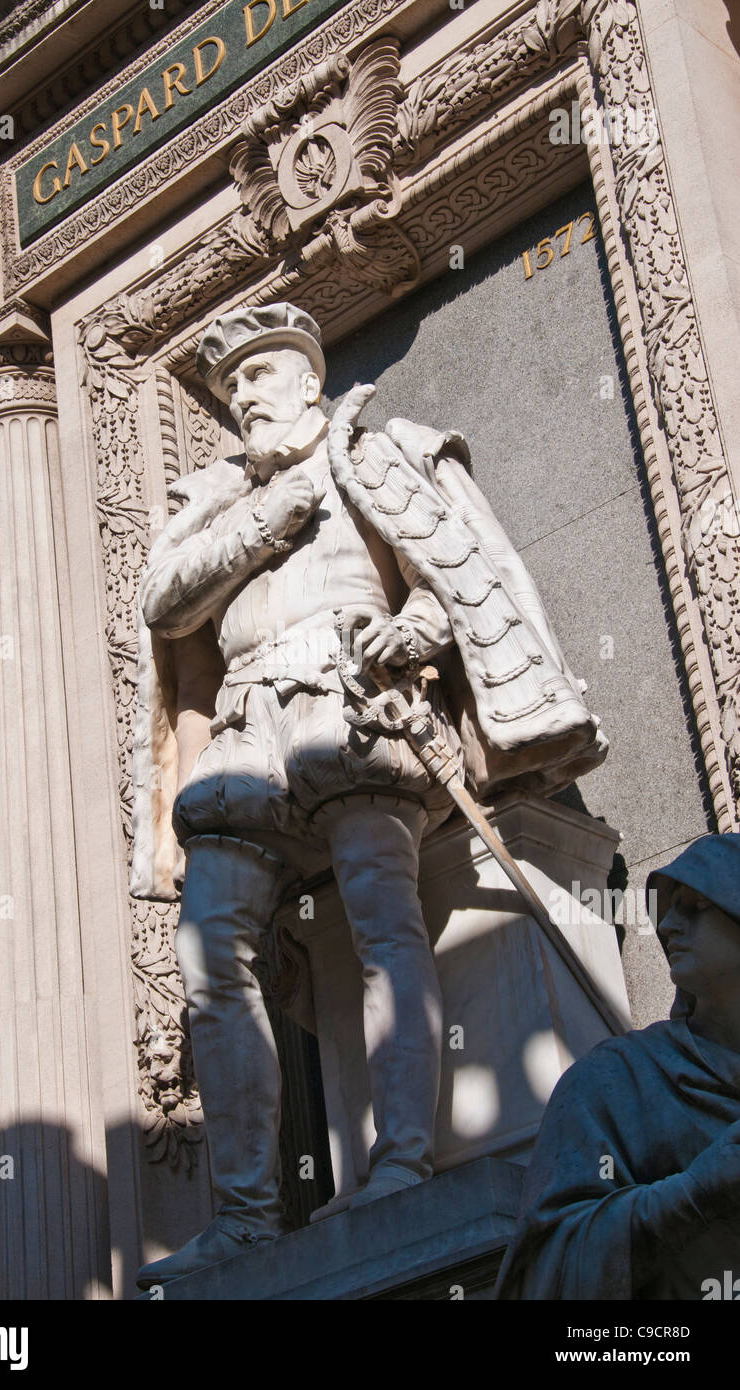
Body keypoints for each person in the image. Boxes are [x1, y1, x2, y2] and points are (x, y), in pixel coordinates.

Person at [131, 302, 605, 1286]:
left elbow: (457, 573)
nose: (243, 399)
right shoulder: (220, 498)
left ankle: (399, 1159)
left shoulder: (378, 450)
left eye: (258, 376)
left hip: (354, 704)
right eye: (230, 389)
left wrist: (417, 630)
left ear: (305, 376)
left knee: (385, 923)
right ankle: (247, 1214)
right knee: (209, 950)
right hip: (246, 719)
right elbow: (164, 600)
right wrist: (263, 523)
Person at [494, 832, 740, 1300]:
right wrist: (693, 1195)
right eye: (668, 909)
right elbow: (542, 1276)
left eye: (694, 906)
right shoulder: (614, 1081)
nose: (667, 926)